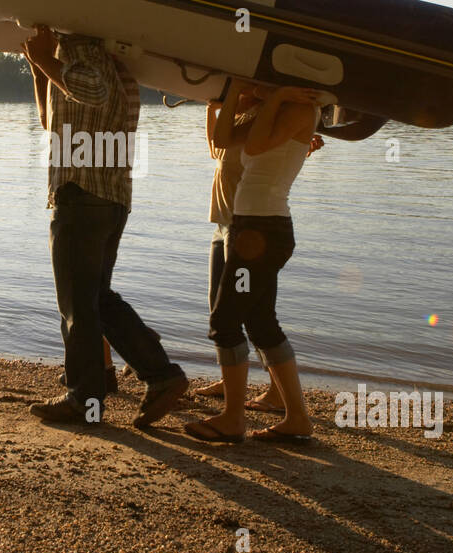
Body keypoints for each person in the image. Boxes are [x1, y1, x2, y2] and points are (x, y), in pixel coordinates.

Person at [22, 25, 189, 427]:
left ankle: (85, 400)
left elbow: (91, 91)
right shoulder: (114, 67)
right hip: (110, 199)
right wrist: (36, 65)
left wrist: (47, 58)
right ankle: (160, 374)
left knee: (78, 306)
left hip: (81, 195)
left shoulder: (85, 56)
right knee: (96, 299)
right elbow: (50, 120)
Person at [185, 80, 325, 444]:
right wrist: (232, 92)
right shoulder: (270, 112)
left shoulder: (300, 108)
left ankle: (233, 420)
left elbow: (259, 145)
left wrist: (276, 95)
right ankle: (297, 419)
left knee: (225, 320)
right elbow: (222, 139)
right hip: (251, 227)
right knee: (260, 322)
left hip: (263, 232)